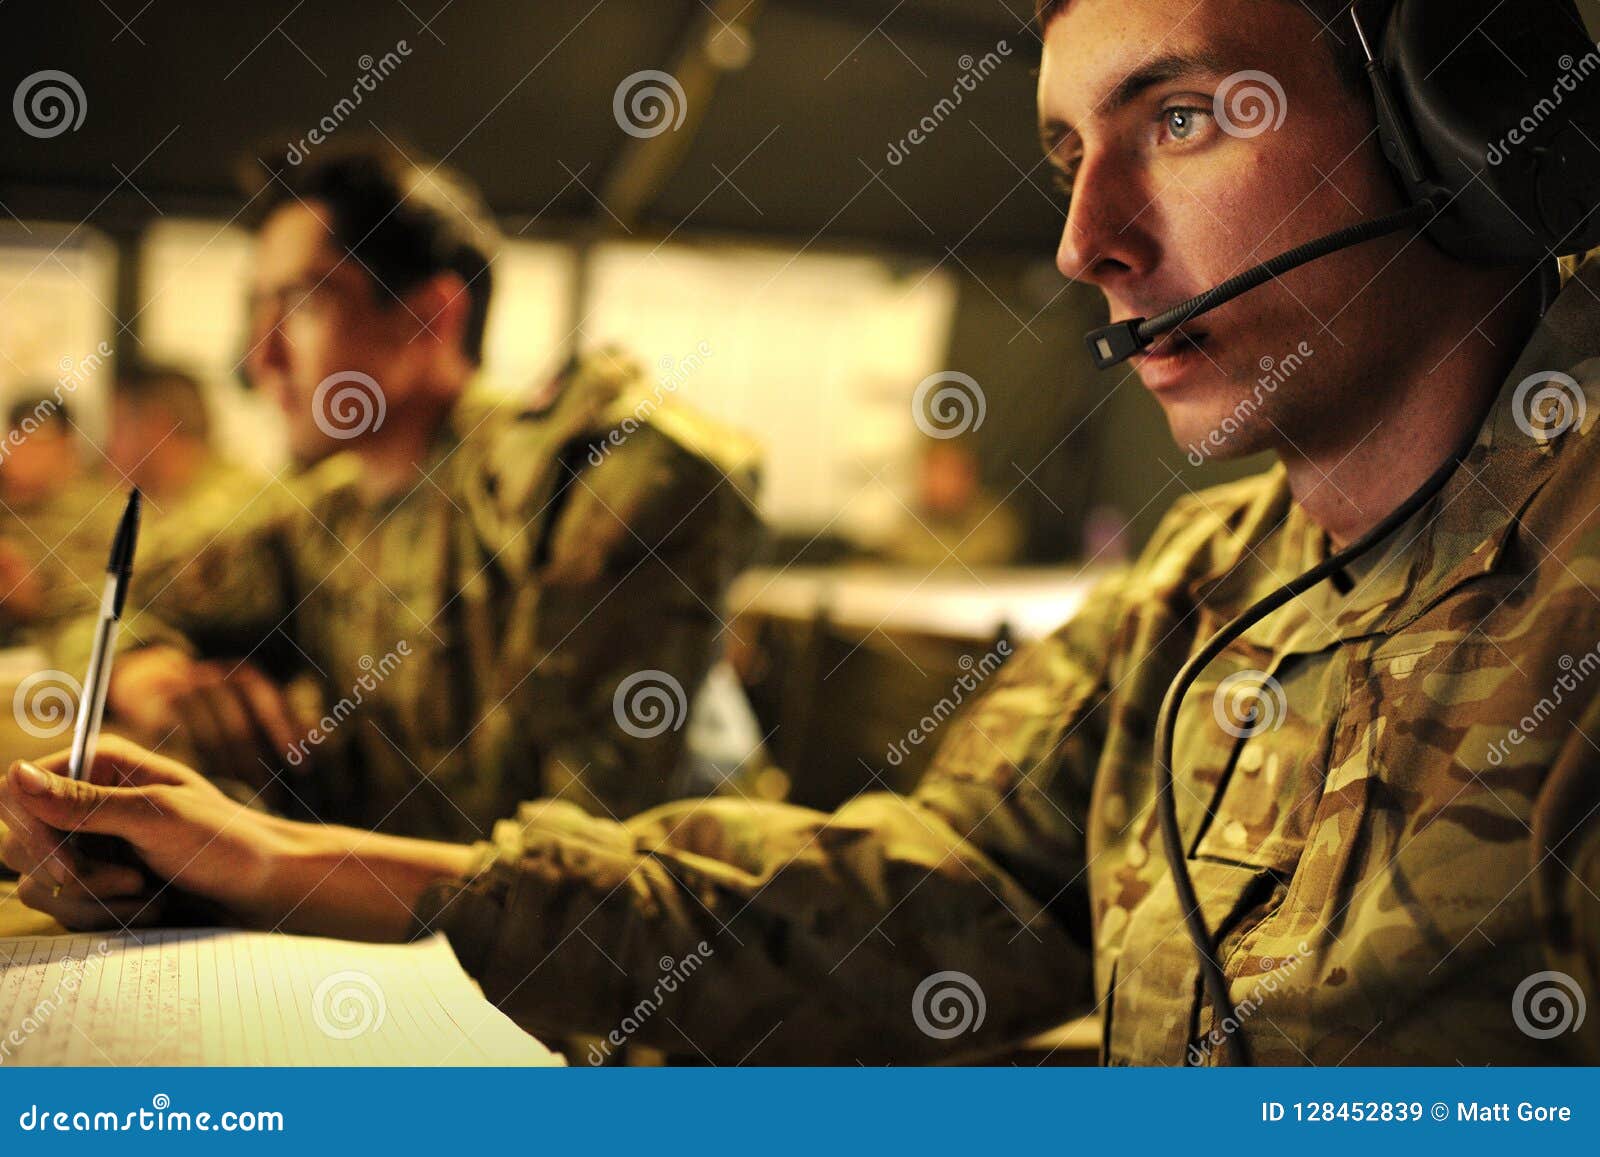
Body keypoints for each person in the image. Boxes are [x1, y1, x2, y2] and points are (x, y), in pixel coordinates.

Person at [6, 0, 1599, 1066]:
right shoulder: (1202, 588)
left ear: (1461, 124)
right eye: (1066, 156)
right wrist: (298, 863)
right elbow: (935, 888)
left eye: (1181, 118)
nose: (1084, 243)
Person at [46, 140, 763, 838]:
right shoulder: (324, 510)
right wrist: (143, 670)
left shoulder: (569, 485)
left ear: (431, 317)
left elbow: (582, 873)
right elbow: (97, 602)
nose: (259, 358)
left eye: (302, 304)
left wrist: (268, 862)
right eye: (258, 310)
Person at [0, 397, 120, 640]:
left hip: (59, 639)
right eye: (18, 440)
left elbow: (103, 599)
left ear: (68, 445)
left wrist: (35, 600)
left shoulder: (100, 511)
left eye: (38, 442)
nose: (25, 453)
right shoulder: (8, 505)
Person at [105, 363, 264, 528]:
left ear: (159, 426)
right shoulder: (158, 509)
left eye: (118, 426)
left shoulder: (236, 516)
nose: (107, 446)